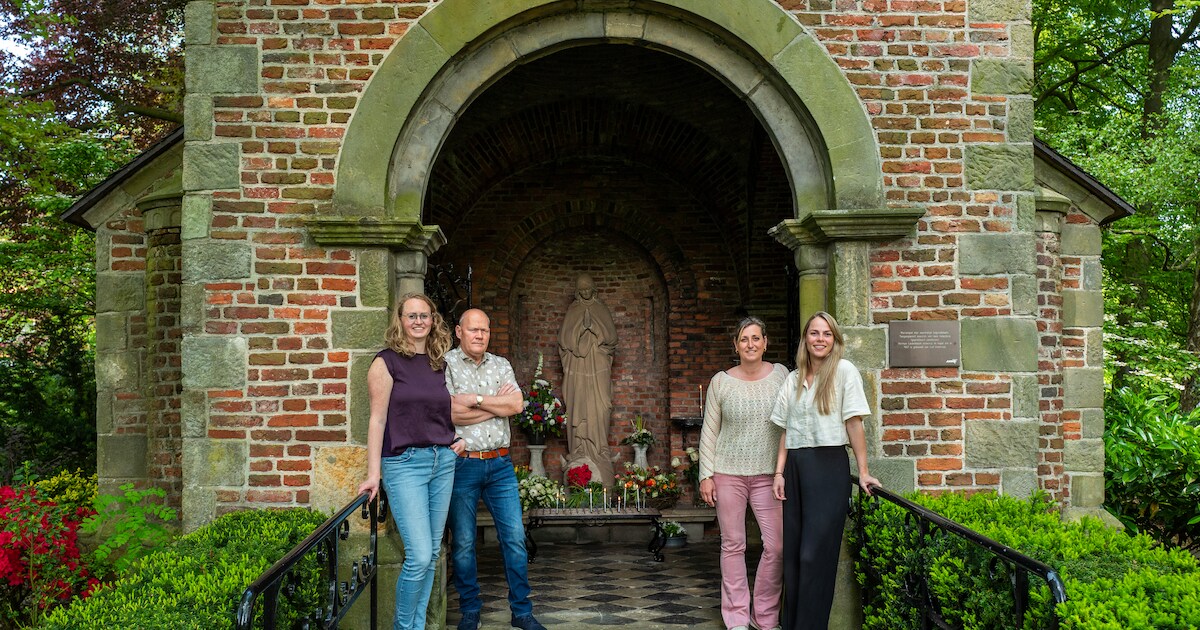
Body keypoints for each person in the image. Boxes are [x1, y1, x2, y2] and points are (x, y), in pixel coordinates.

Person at [357, 293, 466, 630]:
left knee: (431, 555)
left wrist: (462, 439)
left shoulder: (440, 364)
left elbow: (452, 409)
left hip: (442, 462)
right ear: (401, 321)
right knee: (418, 555)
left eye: (424, 315)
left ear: (433, 320)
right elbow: (377, 420)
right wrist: (373, 474)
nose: (419, 321)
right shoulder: (386, 362)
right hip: (404, 465)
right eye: (411, 316)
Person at [769, 311, 880, 630]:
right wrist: (779, 473)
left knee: (813, 555)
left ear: (835, 340)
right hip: (795, 469)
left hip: (829, 468)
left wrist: (863, 471)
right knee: (793, 556)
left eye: (827, 334)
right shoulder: (793, 378)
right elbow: (786, 430)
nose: (820, 339)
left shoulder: (845, 372)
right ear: (805, 339)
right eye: (814, 333)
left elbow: (854, 423)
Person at [445, 309, 547, 630]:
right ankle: (470, 611)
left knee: (514, 537)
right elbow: (449, 413)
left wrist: (474, 399)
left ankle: (522, 612)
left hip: (500, 464)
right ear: (458, 331)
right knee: (463, 543)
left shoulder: (501, 365)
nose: (479, 335)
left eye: (485, 330)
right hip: (463, 465)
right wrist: (494, 406)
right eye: (473, 329)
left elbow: (516, 405)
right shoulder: (445, 365)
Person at [698, 316, 788, 630]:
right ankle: (736, 616)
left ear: (765, 342)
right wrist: (705, 475)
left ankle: (764, 616)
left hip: (769, 475)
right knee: (733, 545)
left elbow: (790, 423)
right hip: (728, 473)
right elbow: (710, 431)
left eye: (756, 338)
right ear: (735, 346)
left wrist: (783, 470)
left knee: (776, 546)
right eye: (744, 339)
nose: (750, 344)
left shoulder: (781, 376)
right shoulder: (720, 382)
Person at [558, 273, 618, 484]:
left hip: (598, 367)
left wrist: (593, 328)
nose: (585, 293)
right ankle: (579, 451)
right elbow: (564, 341)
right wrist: (580, 329)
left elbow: (611, 339)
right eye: (581, 290)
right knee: (579, 406)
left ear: (593, 289)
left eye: (587, 289)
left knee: (602, 406)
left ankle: (599, 450)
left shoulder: (601, 309)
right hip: (578, 369)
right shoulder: (573, 310)